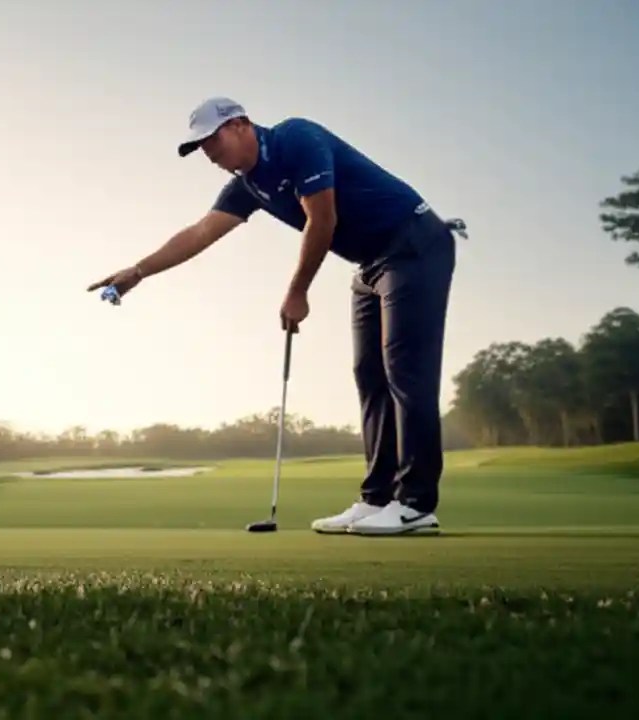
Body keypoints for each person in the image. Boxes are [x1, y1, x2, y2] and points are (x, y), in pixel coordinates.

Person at [88, 97, 465, 536]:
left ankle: (416, 505)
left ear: (241, 125)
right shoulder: (246, 184)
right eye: (200, 149)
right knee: (369, 375)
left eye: (211, 141)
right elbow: (200, 233)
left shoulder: (295, 138)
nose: (208, 154)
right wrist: (138, 271)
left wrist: (297, 291)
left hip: (416, 244)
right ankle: (377, 499)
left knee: (404, 370)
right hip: (370, 265)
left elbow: (321, 219)